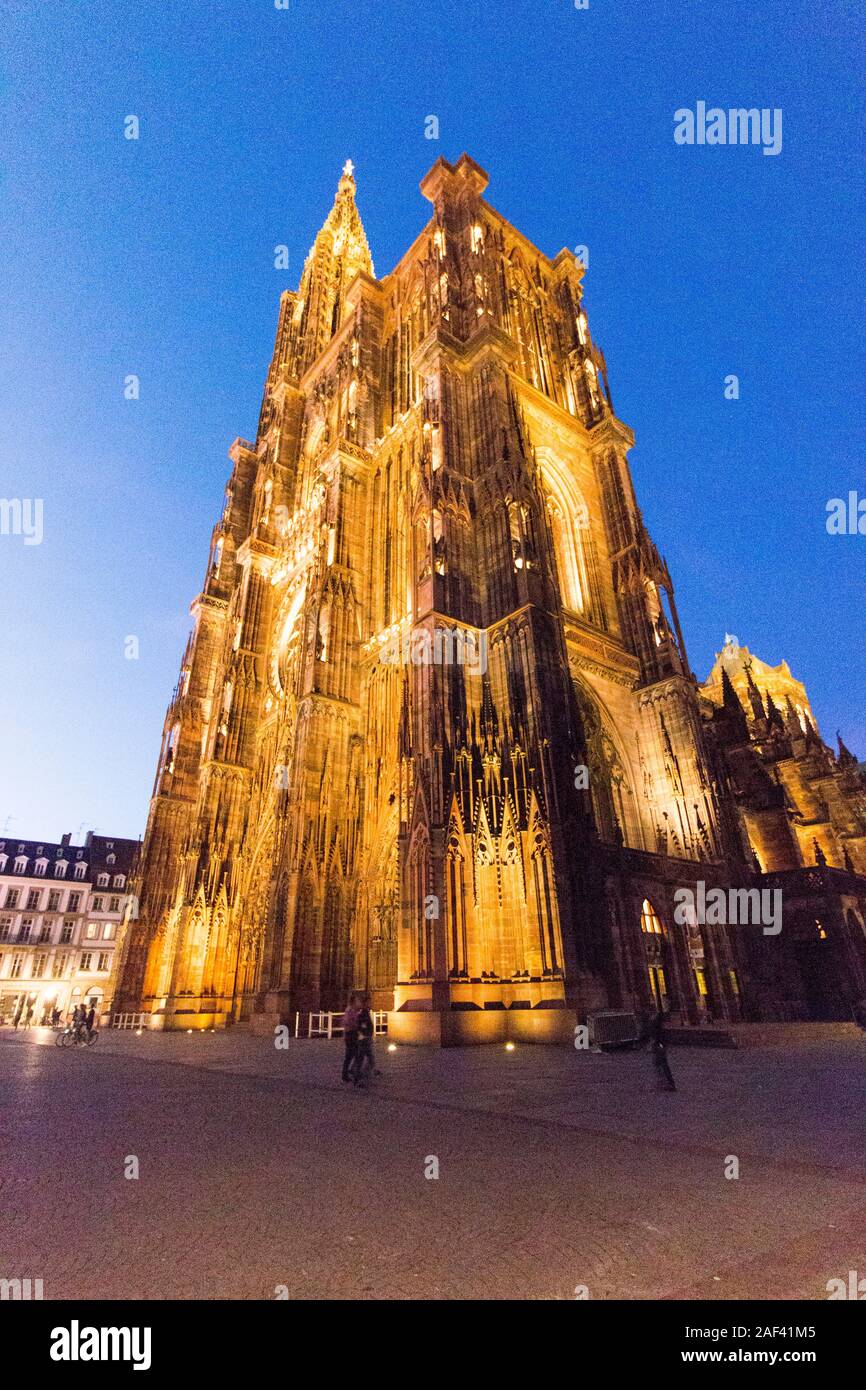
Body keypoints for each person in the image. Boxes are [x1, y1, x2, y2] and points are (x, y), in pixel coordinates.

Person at [649, 1008, 676, 1092]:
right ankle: (664, 1083)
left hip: (659, 1047)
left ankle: (666, 1084)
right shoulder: (656, 1024)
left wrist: (659, 1045)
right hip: (659, 1046)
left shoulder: (655, 1025)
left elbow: (658, 1037)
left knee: (661, 1065)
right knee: (659, 1065)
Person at [353, 994, 376, 1086]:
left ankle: (361, 1076)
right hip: (363, 1040)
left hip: (366, 1038)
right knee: (363, 1059)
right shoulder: (362, 1013)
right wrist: (362, 1033)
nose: (371, 1004)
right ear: (365, 1003)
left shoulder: (366, 1012)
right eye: (369, 1002)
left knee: (366, 1059)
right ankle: (359, 1078)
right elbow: (360, 1025)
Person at [341, 992, 361, 1083]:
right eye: (356, 1001)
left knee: (353, 1055)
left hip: (352, 1034)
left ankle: (350, 1073)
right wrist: (357, 1025)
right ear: (353, 1001)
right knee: (350, 1055)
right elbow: (348, 1022)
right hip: (350, 1034)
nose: (358, 1002)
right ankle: (347, 1074)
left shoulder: (352, 1010)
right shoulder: (349, 1010)